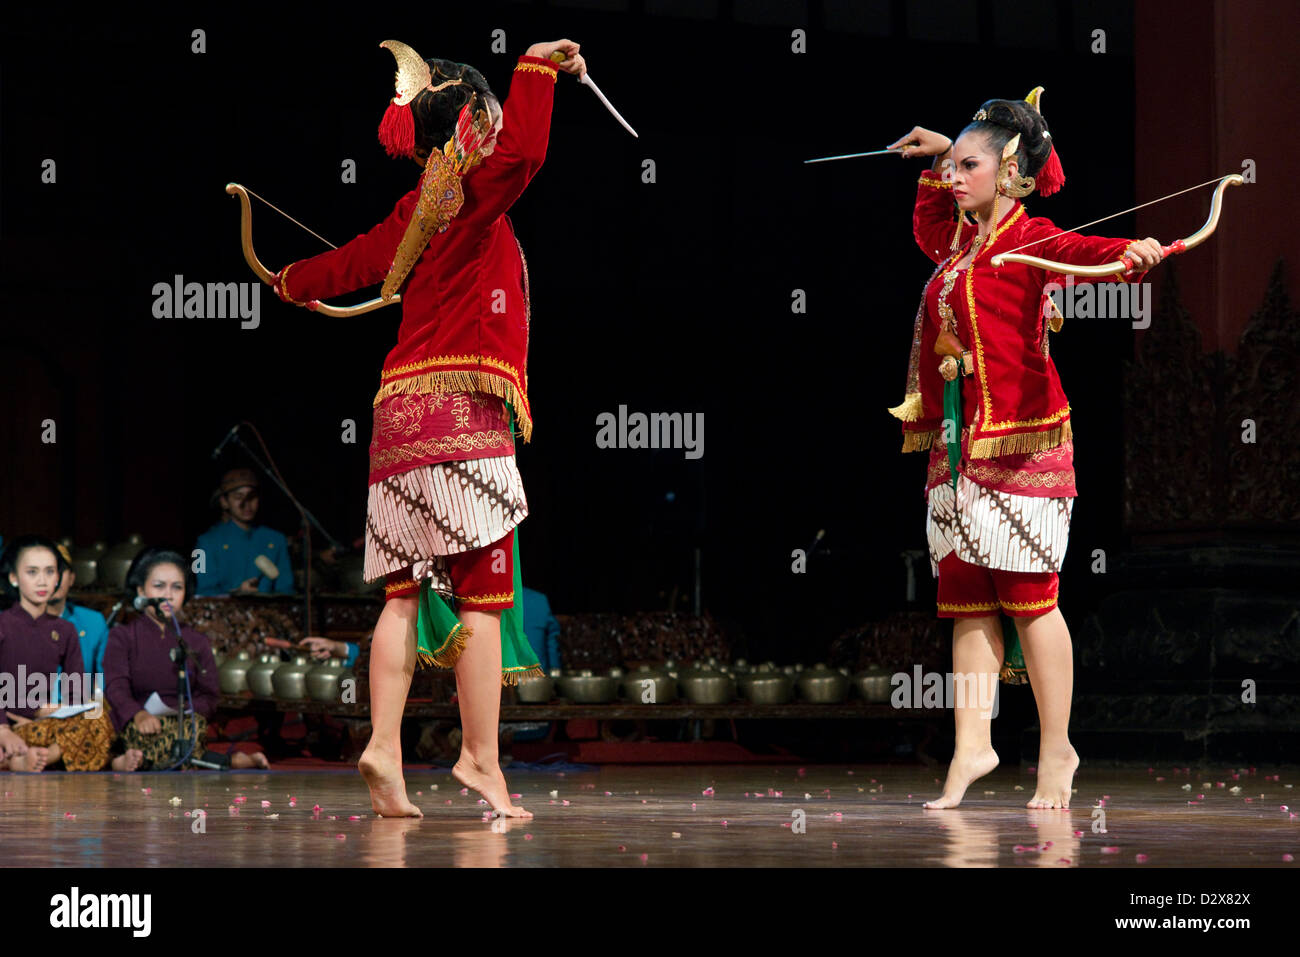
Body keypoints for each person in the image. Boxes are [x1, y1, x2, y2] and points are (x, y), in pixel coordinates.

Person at [269, 37, 584, 817]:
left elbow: (352, 263)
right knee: (482, 601)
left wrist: (290, 279)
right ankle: (480, 760)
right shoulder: (474, 190)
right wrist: (539, 64)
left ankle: (383, 744)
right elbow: (528, 152)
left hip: (396, 420)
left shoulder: (418, 205)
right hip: (462, 414)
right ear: (475, 118)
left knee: (402, 596)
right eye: (493, 115)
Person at [884, 90, 1167, 810]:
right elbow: (927, 223)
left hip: (1021, 443)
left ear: (1009, 173)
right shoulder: (956, 245)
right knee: (967, 601)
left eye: (967, 165)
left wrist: (1132, 253)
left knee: (1031, 600)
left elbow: (1085, 252)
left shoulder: (1031, 236)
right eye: (952, 165)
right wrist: (942, 149)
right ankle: (973, 743)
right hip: (957, 448)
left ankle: (1055, 750)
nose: (953, 175)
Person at [104, 546, 269, 769]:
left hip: (183, 721)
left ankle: (148, 762)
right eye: (159, 586)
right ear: (141, 590)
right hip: (138, 719)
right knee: (154, 740)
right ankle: (227, 762)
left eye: (177, 587)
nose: (168, 595)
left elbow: (210, 696)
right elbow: (116, 686)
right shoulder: (122, 636)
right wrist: (138, 715)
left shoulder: (196, 640)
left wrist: (187, 712)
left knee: (184, 735)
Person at [0, 535, 130, 772]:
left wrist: (49, 711)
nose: (42, 581)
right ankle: (17, 757)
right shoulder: (3, 625)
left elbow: (77, 692)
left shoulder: (65, 630)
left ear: (59, 577)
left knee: (99, 714)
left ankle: (45, 756)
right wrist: (5, 729)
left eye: (50, 572)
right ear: (13, 578)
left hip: (45, 722)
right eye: (32, 572)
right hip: (7, 724)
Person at [195, 468, 295, 596]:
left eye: (251, 497)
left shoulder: (276, 540)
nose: (247, 504)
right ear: (224, 502)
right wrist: (236, 593)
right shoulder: (204, 544)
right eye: (238, 497)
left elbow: (286, 588)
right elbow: (202, 592)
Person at [47, 544, 110, 676]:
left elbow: (104, 678)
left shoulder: (93, 622)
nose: (54, 579)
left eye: (60, 570)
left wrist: (96, 696)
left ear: (71, 579)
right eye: (48, 571)